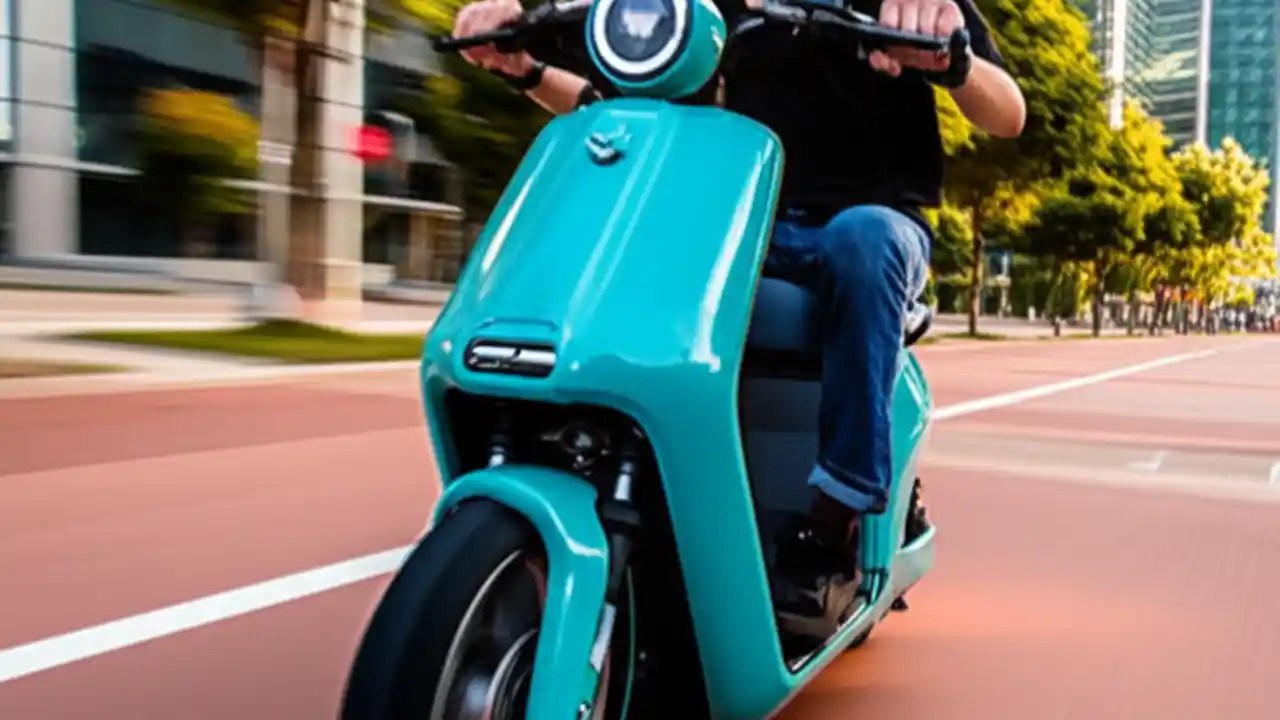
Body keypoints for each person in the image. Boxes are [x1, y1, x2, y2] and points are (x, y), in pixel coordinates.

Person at [450, 0, 1026, 638]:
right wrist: (523, 66)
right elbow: (602, 101)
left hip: (873, 221)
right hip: (745, 226)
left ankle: (835, 524)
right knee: (635, 225)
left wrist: (954, 62)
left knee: (865, 240)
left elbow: (1007, 112)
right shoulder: (704, 12)